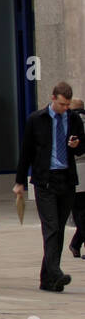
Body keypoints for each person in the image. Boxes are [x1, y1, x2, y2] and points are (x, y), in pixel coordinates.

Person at [14, 81, 85, 292]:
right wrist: (19, 182)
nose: (65, 109)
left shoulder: (73, 119)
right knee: (51, 227)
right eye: (62, 104)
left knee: (59, 229)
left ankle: (47, 279)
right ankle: (56, 272)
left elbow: (83, 146)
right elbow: (26, 152)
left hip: (66, 179)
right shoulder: (36, 120)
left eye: (67, 105)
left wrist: (77, 145)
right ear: (53, 98)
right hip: (45, 180)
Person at [70, 98, 85, 261]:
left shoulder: (69, 123)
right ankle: (75, 243)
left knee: (79, 212)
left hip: (75, 173)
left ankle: (76, 244)